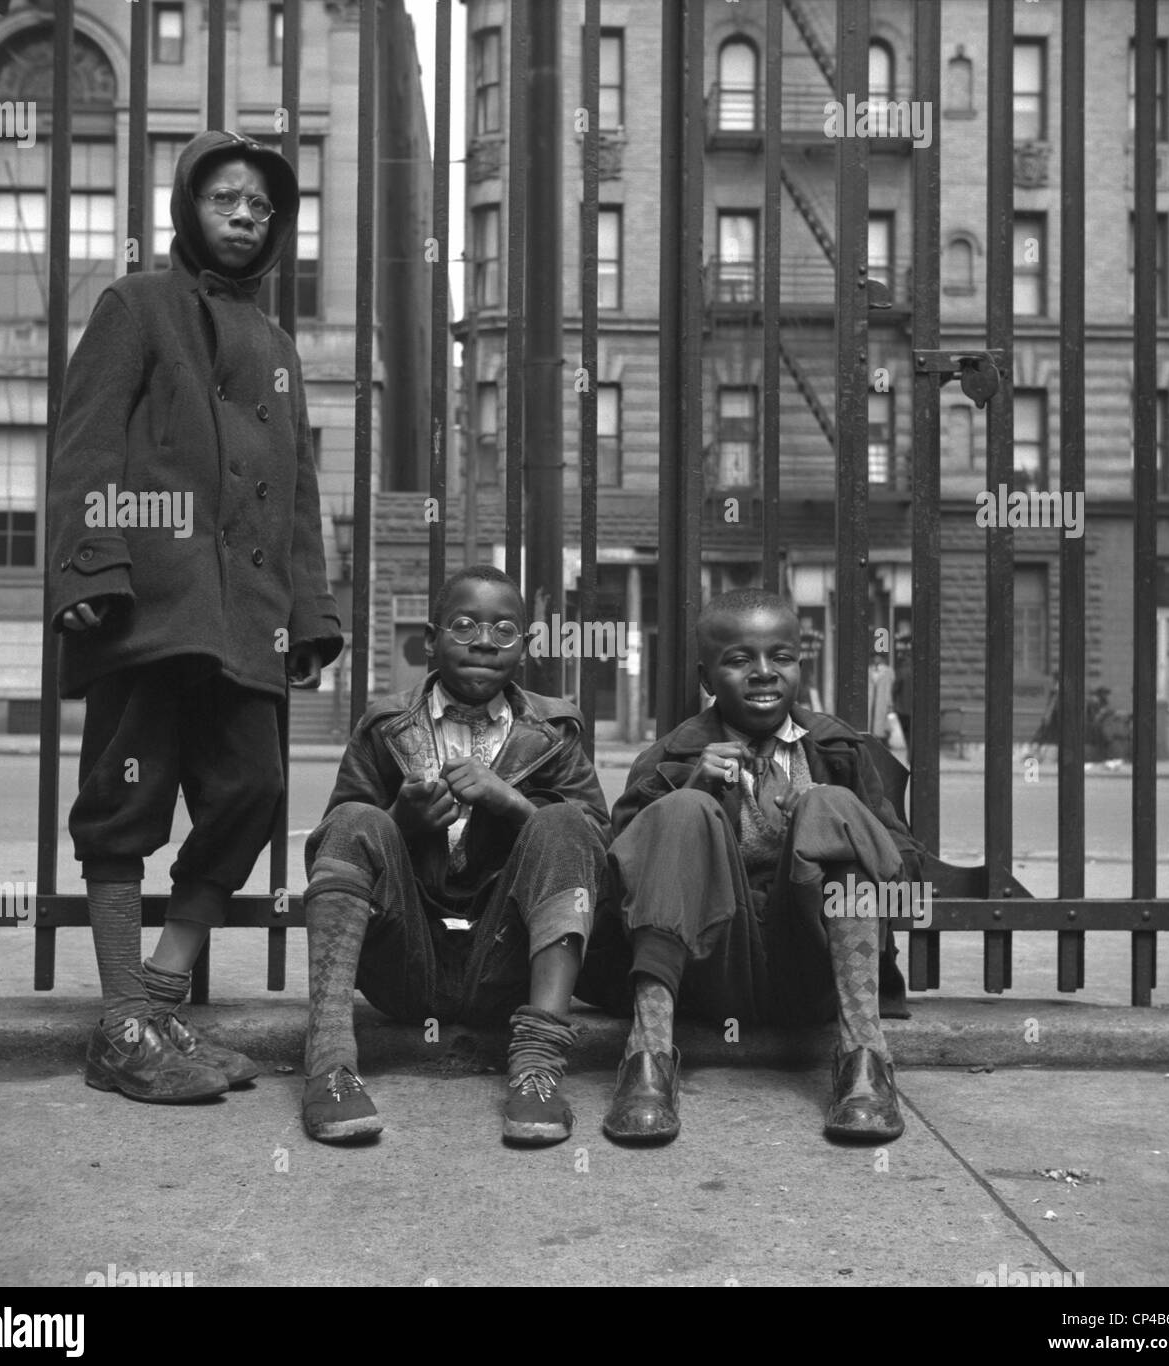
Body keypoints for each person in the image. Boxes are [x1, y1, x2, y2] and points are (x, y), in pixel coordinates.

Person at [47, 131, 342, 1103]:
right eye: (227, 198)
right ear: (190, 207)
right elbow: (86, 442)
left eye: (261, 207)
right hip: (150, 609)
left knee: (253, 789)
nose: (246, 216)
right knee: (125, 800)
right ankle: (124, 1020)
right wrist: (90, 565)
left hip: (246, 619)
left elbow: (298, 493)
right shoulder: (135, 306)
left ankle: (160, 1002)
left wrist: (309, 616)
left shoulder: (278, 347)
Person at [579, 588, 925, 1146]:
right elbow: (617, 888)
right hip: (706, 972)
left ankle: (865, 1061)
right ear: (707, 677)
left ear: (798, 664)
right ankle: (647, 1060)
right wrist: (689, 787)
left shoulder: (841, 750)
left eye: (780, 657)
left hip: (818, 970)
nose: (764, 673)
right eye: (739, 660)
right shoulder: (669, 757)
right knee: (684, 809)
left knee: (829, 807)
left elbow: (904, 879)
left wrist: (826, 820)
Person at [299, 565, 609, 1147]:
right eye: (464, 626)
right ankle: (330, 1066)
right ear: (431, 638)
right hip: (406, 959)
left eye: (504, 631)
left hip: (506, 963)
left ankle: (538, 1069)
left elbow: (598, 847)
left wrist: (514, 803)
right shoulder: (386, 726)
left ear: (525, 646)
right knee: (356, 819)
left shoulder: (555, 729)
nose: (485, 642)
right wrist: (400, 822)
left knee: (562, 820)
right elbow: (336, 846)